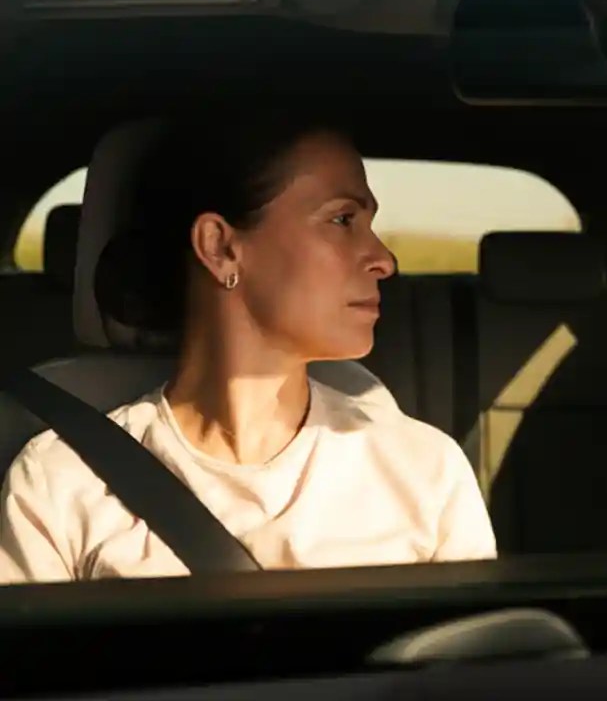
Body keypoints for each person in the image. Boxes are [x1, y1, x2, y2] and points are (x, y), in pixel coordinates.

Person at [0, 114, 497, 583]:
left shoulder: (425, 471)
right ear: (220, 247)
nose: (384, 260)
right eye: (343, 220)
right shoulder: (59, 483)